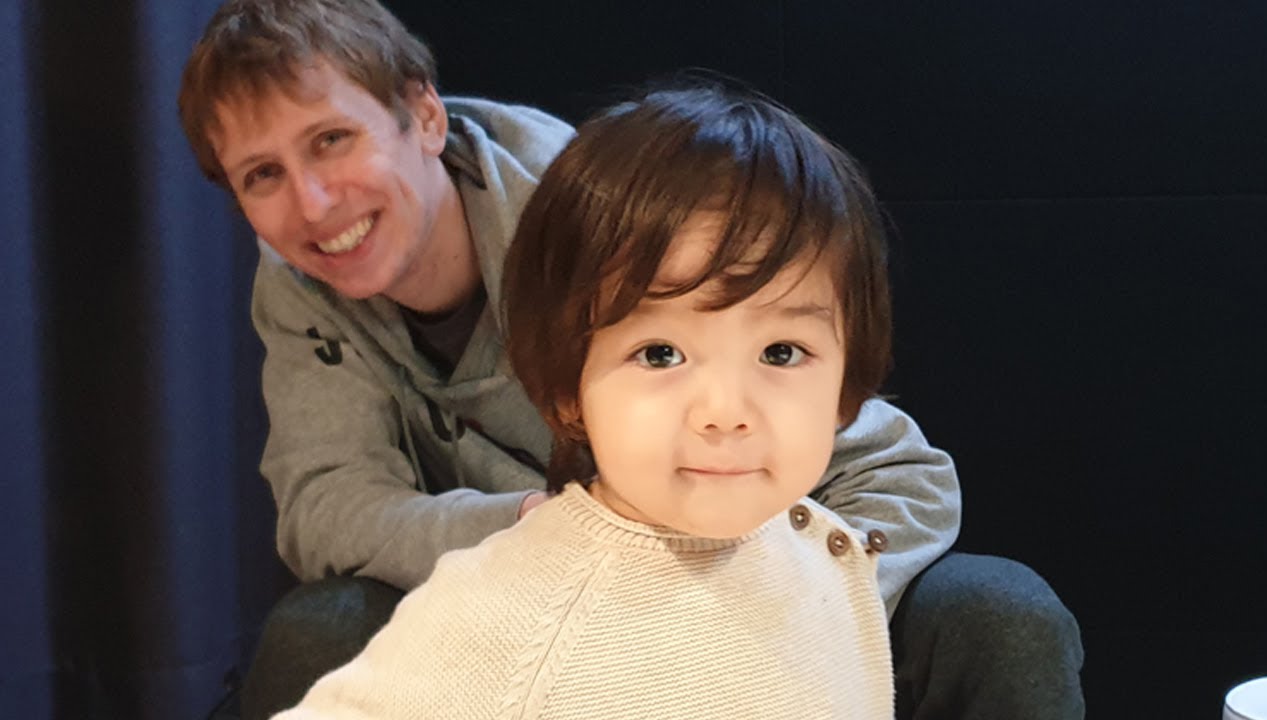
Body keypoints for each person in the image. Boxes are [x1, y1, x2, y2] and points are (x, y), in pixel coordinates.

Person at [177, 1, 1084, 718]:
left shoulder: (614, 226)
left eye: (331, 139)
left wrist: (762, 596)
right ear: (564, 389)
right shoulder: (299, 286)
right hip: (530, 600)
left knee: (1000, 616)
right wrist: (544, 548)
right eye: (264, 175)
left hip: (747, 581)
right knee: (314, 631)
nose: (316, 199)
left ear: (422, 114)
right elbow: (327, 508)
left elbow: (898, 472)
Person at [271, 82, 897, 719]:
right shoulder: (499, 612)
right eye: (660, 354)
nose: (726, 410)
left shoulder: (827, 555)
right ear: (570, 388)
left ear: (847, 383)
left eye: (781, 353)